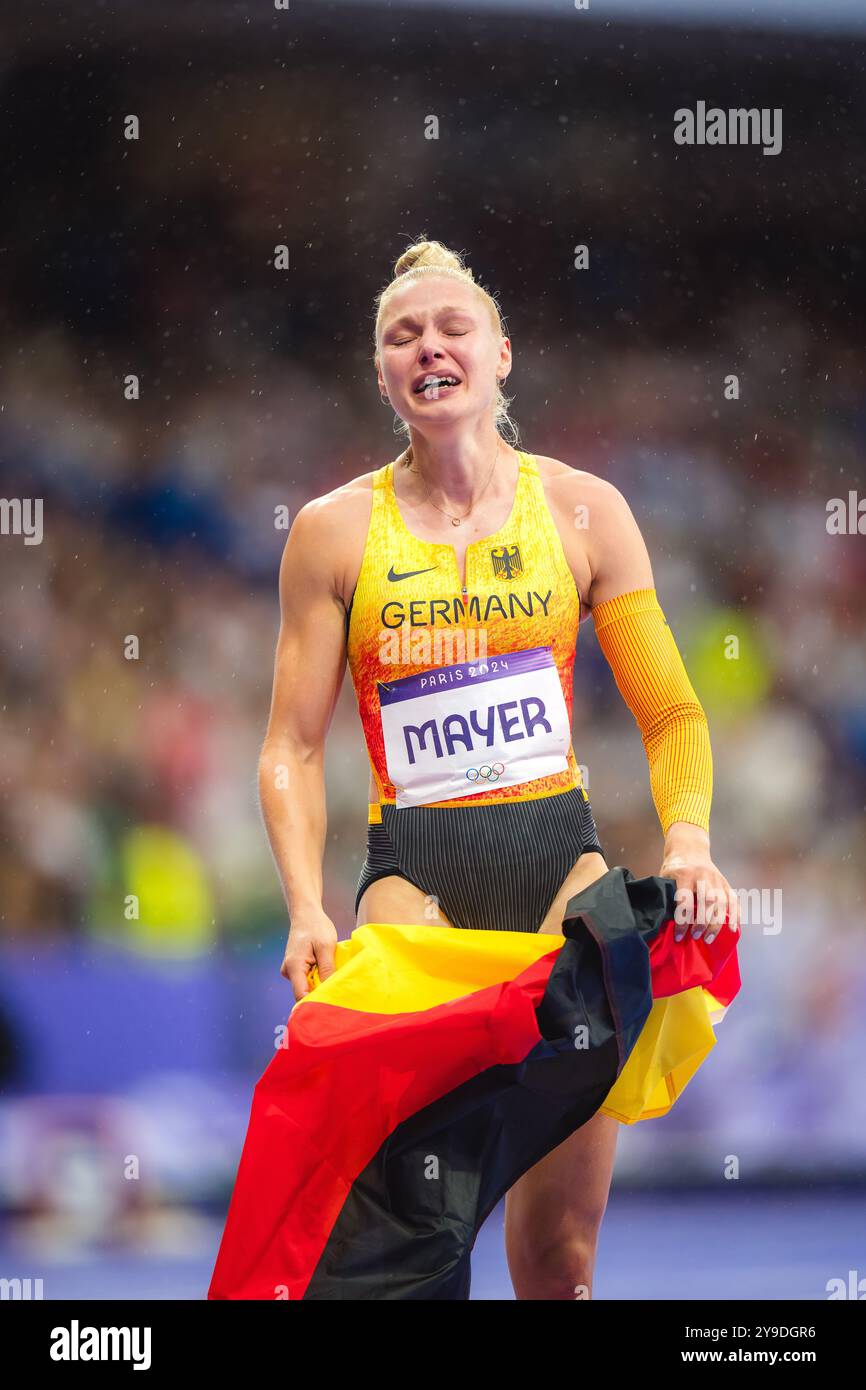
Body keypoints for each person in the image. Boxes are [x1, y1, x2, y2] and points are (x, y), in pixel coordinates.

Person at [257, 237, 740, 1300]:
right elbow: (290, 746)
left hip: (556, 868)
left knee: (557, 1264)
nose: (427, 345)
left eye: (450, 326)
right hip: (412, 882)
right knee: (415, 1243)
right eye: (400, 335)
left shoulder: (582, 511)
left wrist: (690, 840)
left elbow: (668, 711)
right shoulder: (334, 534)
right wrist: (302, 907)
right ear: (383, 374)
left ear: (501, 354)